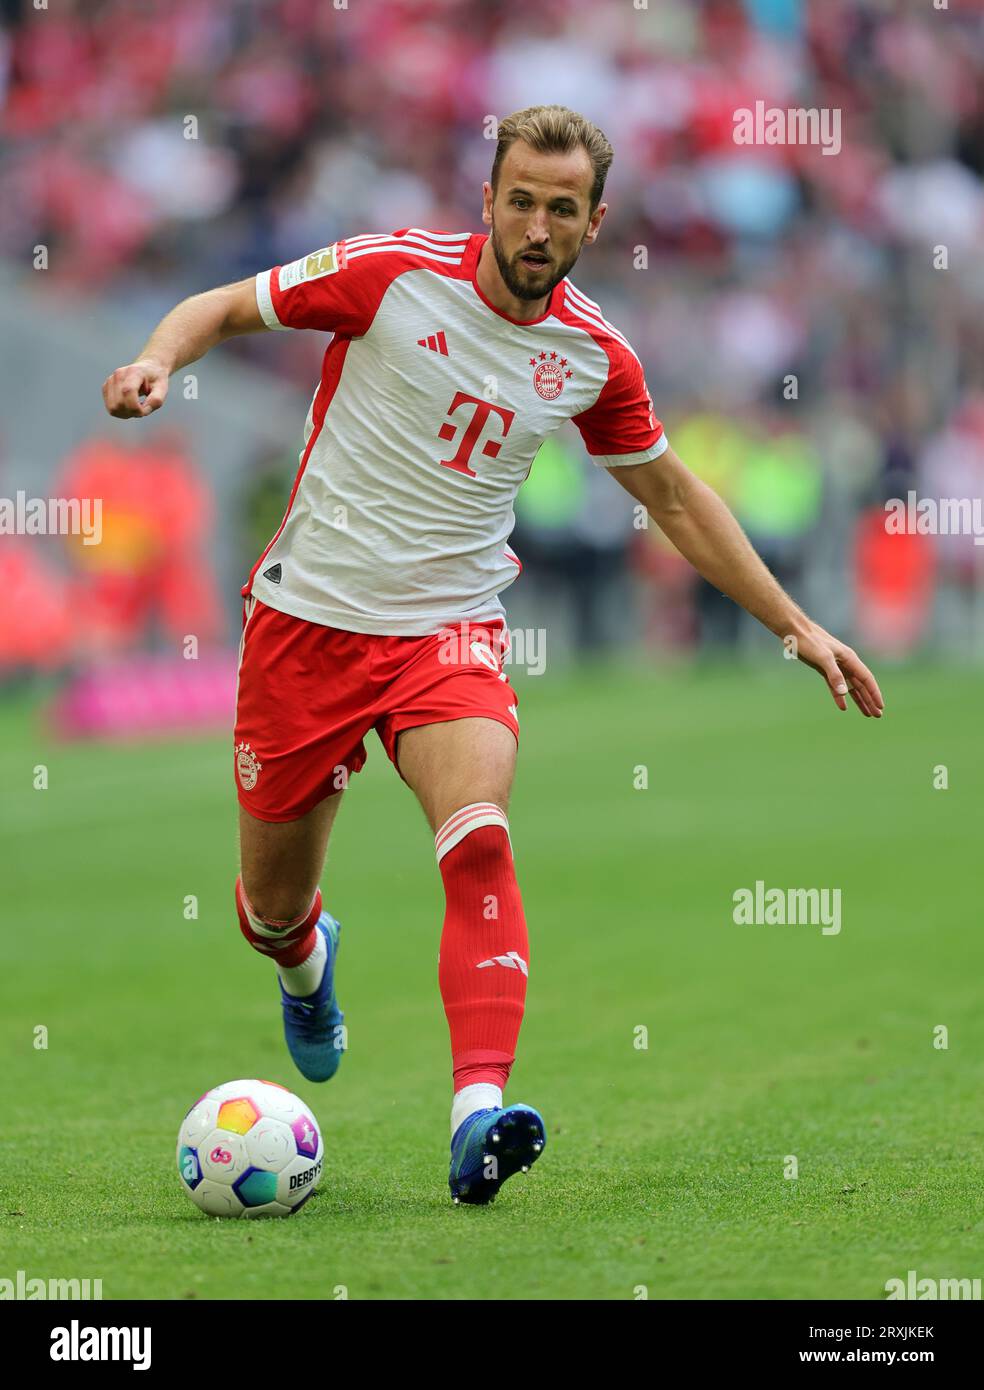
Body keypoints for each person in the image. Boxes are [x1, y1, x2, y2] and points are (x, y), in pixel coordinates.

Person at [101, 104, 884, 1206]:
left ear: (593, 223)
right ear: (488, 199)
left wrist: (795, 623)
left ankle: (478, 1114)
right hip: (307, 624)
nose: (536, 223)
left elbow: (671, 493)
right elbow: (226, 305)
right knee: (270, 907)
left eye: (561, 209)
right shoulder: (389, 274)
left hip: (448, 631)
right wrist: (153, 362)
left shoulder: (593, 354)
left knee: (477, 839)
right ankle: (305, 958)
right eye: (520, 199)